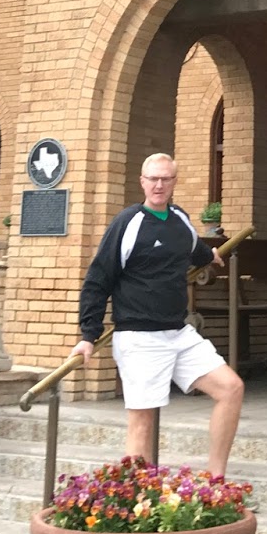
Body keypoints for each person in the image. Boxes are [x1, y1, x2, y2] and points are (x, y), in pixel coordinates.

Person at [69, 152, 245, 476]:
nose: (159, 185)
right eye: (153, 178)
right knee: (142, 421)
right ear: (143, 182)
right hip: (138, 337)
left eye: (165, 178)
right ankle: (138, 501)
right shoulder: (128, 222)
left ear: (175, 182)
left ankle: (217, 482)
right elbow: (98, 279)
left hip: (178, 333)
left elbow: (192, 249)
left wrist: (212, 255)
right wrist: (88, 335)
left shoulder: (179, 218)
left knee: (231, 389)